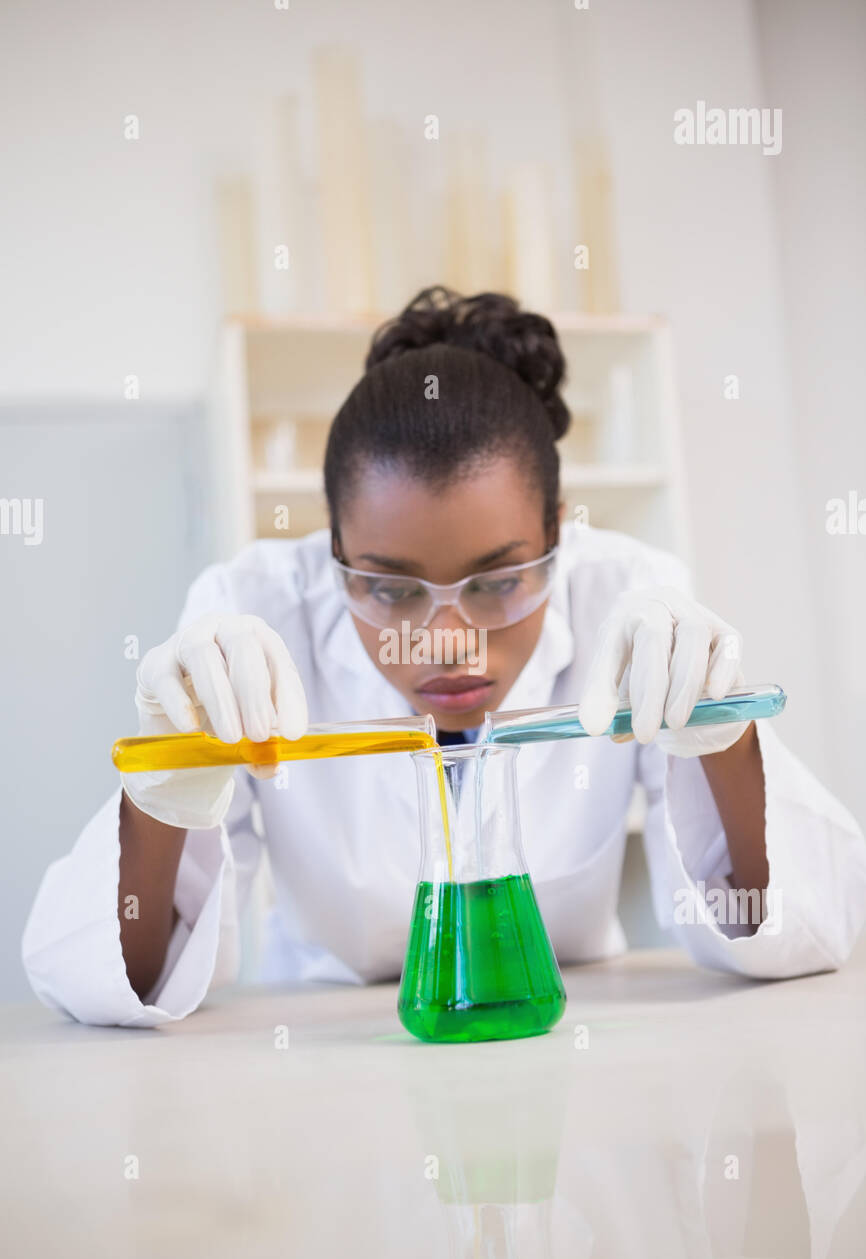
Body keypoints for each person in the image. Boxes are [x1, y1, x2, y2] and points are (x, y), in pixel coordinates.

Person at [22, 288, 866, 1026]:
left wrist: (723, 740)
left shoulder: (626, 595)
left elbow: (809, 932)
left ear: (558, 534)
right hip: (330, 1066)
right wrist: (163, 796)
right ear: (333, 552)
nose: (451, 640)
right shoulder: (252, 611)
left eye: (501, 579)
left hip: (567, 1054)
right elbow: (107, 986)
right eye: (389, 589)